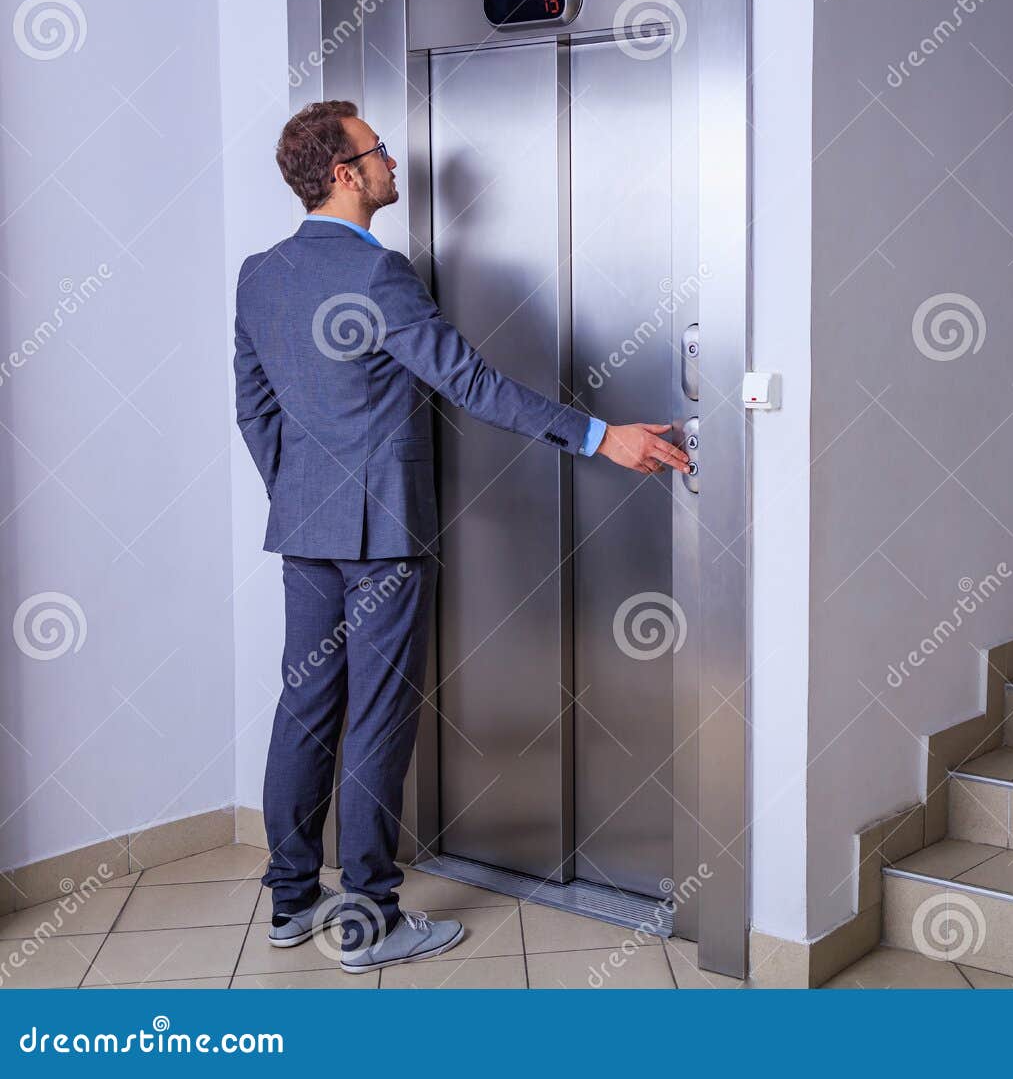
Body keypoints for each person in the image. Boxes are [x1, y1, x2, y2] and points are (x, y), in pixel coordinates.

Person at [233, 100, 689, 973]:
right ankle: (368, 915)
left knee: (304, 708)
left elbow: (254, 406)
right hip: (382, 537)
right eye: (377, 152)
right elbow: (472, 383)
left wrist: (302, 494)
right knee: (374, 718)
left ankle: (293, 900)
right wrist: (600, 435)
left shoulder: (261, 273)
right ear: (343, 173)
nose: (392, 164)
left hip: (306, 530)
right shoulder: (381, 275)